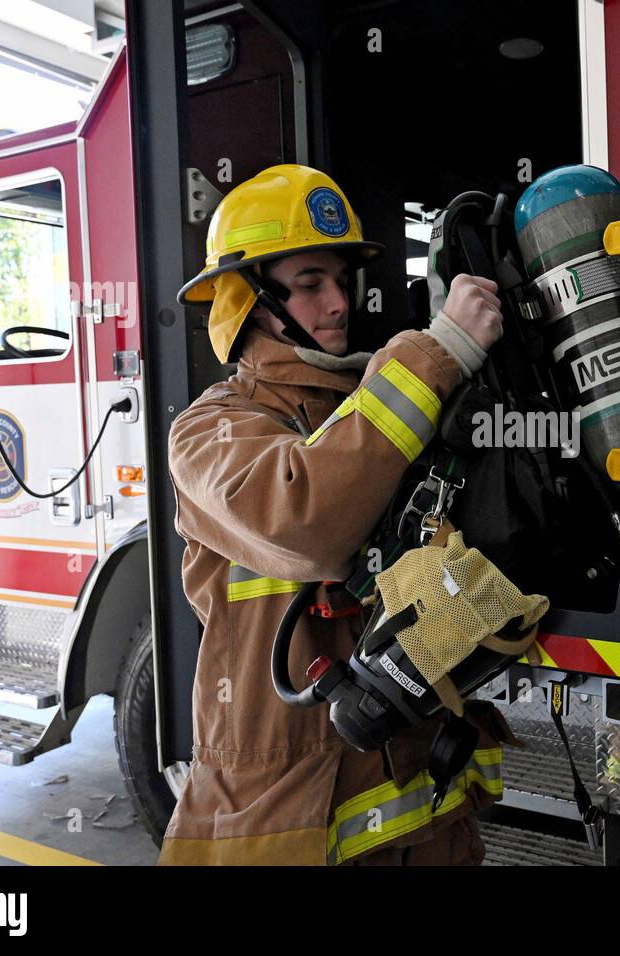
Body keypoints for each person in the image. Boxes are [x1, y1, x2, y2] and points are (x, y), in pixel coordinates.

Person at [158, 164, 515, 865]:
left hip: (428, 813)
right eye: (310, 282)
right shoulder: (210, 432)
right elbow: (308, 523)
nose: (336, 301)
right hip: (295, 826)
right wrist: (439, 352)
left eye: (340, 280)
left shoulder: (384, 400)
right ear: (253, 302)